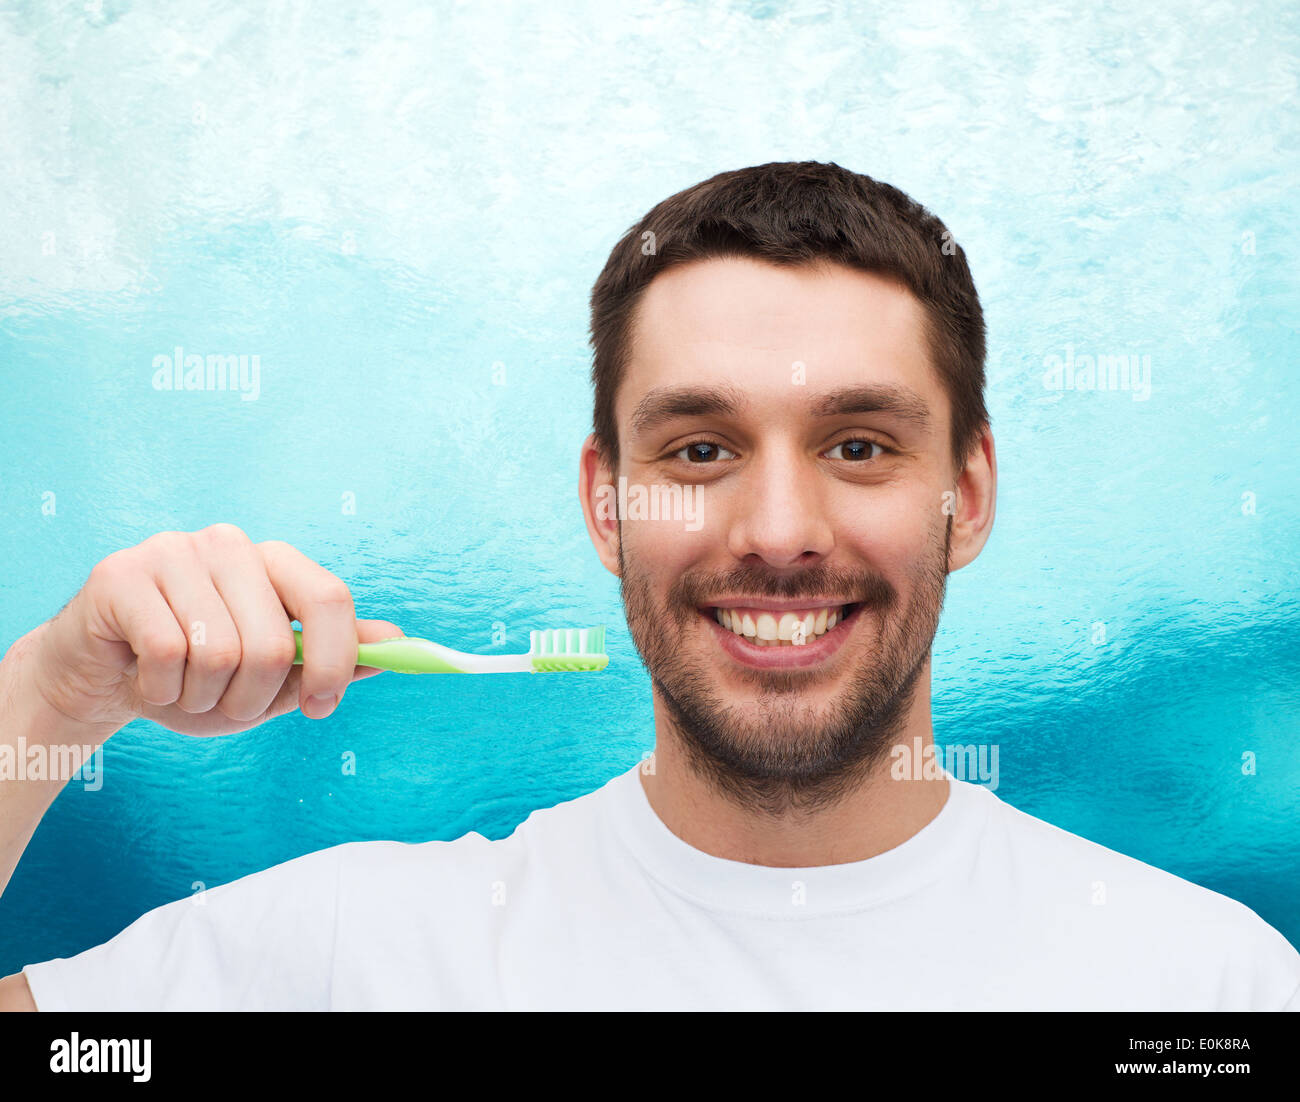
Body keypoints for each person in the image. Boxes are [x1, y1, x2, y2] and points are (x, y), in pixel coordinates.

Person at [2, 161, 1296, 1011]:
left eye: (857, 444)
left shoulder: (1205, 992)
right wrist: (53, 697)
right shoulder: (349, 960)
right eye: (700, 449)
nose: (779, 530)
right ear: (603, 502)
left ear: (968, 493)